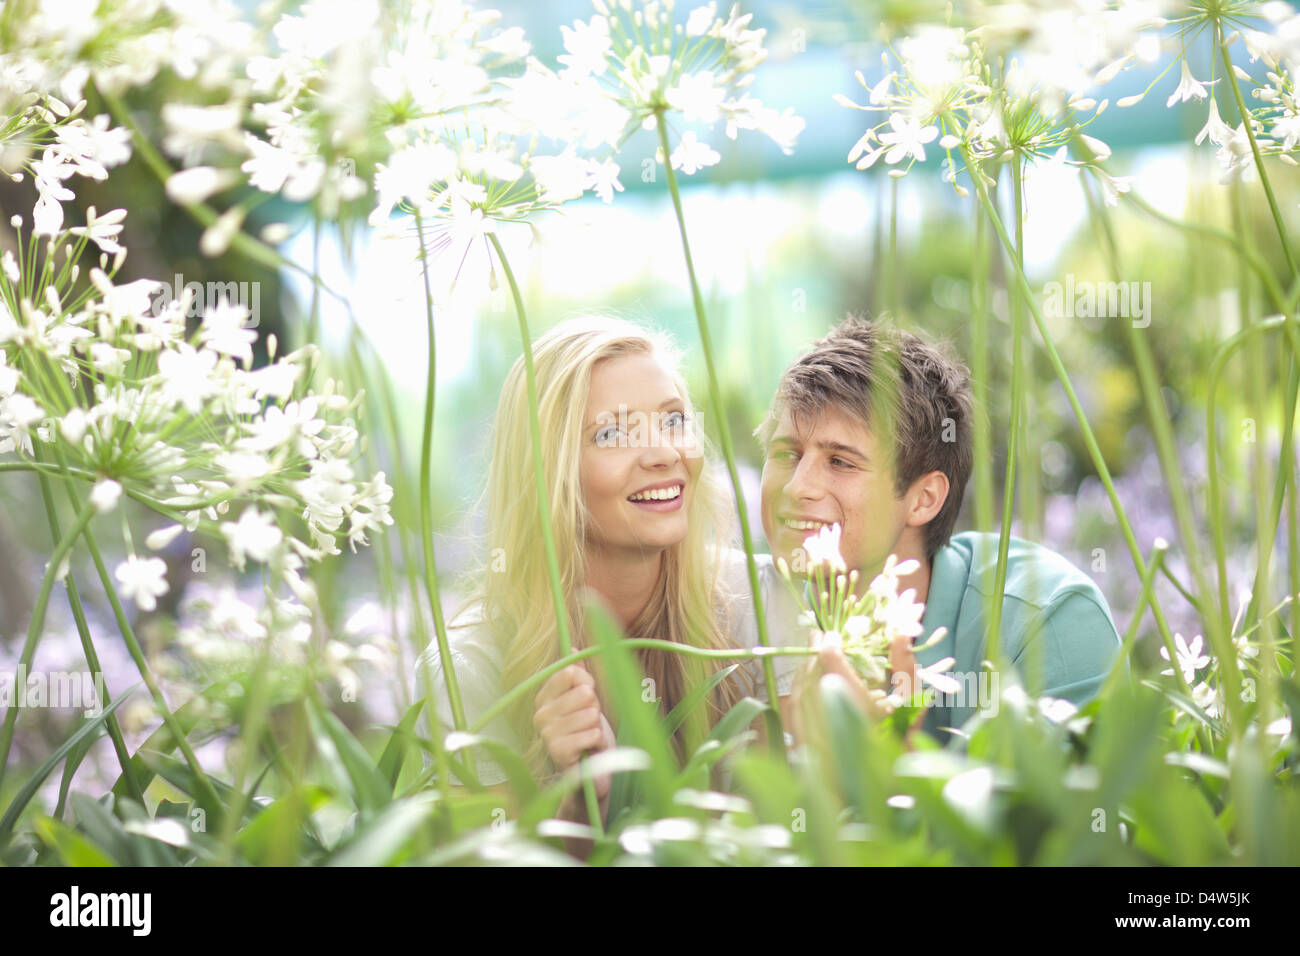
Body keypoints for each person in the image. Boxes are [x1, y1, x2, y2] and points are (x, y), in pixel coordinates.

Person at [418, 316, 798, 825]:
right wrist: (579, 802)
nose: (664, 454)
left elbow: (807, 829)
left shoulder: (761, 598)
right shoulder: (470, 672)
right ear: (548, 473)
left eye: (673, 420)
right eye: (613, 433)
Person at [755, 315, 1124, 741]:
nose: (797, 486)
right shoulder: (742, 617)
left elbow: (1073, 805)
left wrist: (882, 762)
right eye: (786, 453)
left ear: (924, 498)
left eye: (841, 461)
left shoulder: (1049, 620)